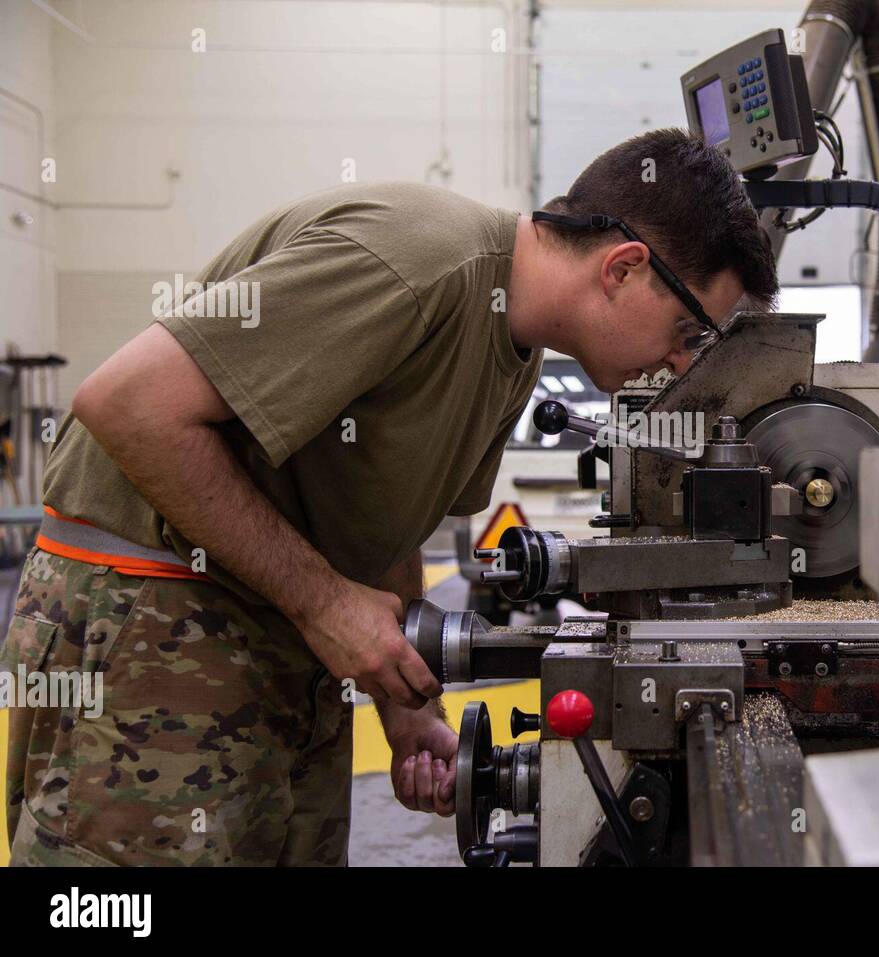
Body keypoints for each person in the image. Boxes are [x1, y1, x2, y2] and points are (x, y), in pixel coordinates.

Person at [1, 128, 779, 865]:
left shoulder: (515, 348)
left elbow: (391, 516)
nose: (683, 363)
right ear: (623, 267)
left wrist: (405, 706)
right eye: (688, 330)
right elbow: (128, 405)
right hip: (156, 620)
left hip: (275, 632)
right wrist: (324, 604)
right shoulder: (419, 259)